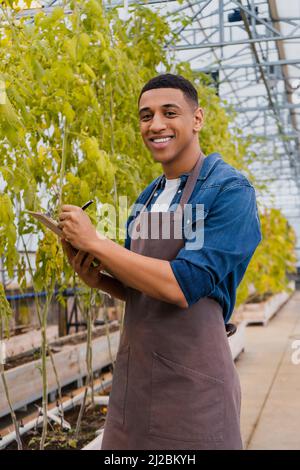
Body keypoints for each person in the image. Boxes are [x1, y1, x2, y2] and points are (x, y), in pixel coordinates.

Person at [59, 73, 262, 450]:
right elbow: (143, 288)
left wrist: (97, 242)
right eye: (145, 115)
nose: (155, 125)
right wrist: (98, 277)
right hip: (134, 386)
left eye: (169, 112)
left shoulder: (230, 190)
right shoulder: (146, 198)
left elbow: (184, 285)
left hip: (193, 387)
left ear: (197, 118)